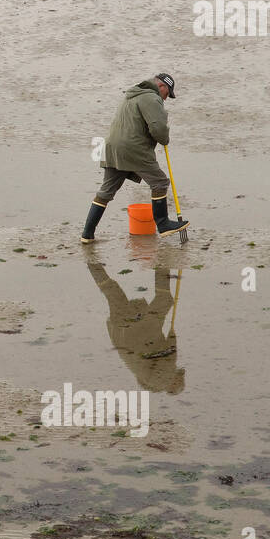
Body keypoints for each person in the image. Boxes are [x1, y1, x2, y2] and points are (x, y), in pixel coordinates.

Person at [81, 73, 189, 242]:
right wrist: (164, 137)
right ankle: (163, 224)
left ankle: (87, 234)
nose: (165, 99)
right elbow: (158, 129)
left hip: (111, 147)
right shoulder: (152, 98)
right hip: (133, 148)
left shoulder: (131, 95)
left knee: (106, 191)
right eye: (167, 94)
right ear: (162, 87)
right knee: (159, 182)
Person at [84, 259, 184, 394]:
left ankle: (162, 260)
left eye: (178, 376)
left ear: (174, 383)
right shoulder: (145, 380)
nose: (177, 371)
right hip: (119, 332)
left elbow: (170, 353)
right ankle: (92, 262)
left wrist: (172, 336)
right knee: (112, 291)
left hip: (140, 331)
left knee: (164, 299)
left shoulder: (164, 380)